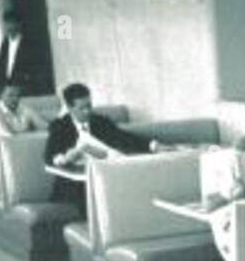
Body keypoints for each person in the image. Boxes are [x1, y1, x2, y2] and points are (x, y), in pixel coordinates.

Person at [44, 82, 160, 214]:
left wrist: (153, 145)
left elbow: (124, 138)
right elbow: (49, 157)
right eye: (82, 108)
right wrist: (63, 158)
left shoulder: (101, 122)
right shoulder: (59, 126)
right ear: (70, 108)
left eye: (89, 106)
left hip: (103, 177)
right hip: (73, 186)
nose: (87, 111)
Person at [0, 9, 38, 93]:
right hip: (7, 86)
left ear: (19, 24)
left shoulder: (28, 44)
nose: (9, 26)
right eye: (7, 23)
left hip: (24, 86)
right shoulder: (4, 44)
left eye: (12, 23)